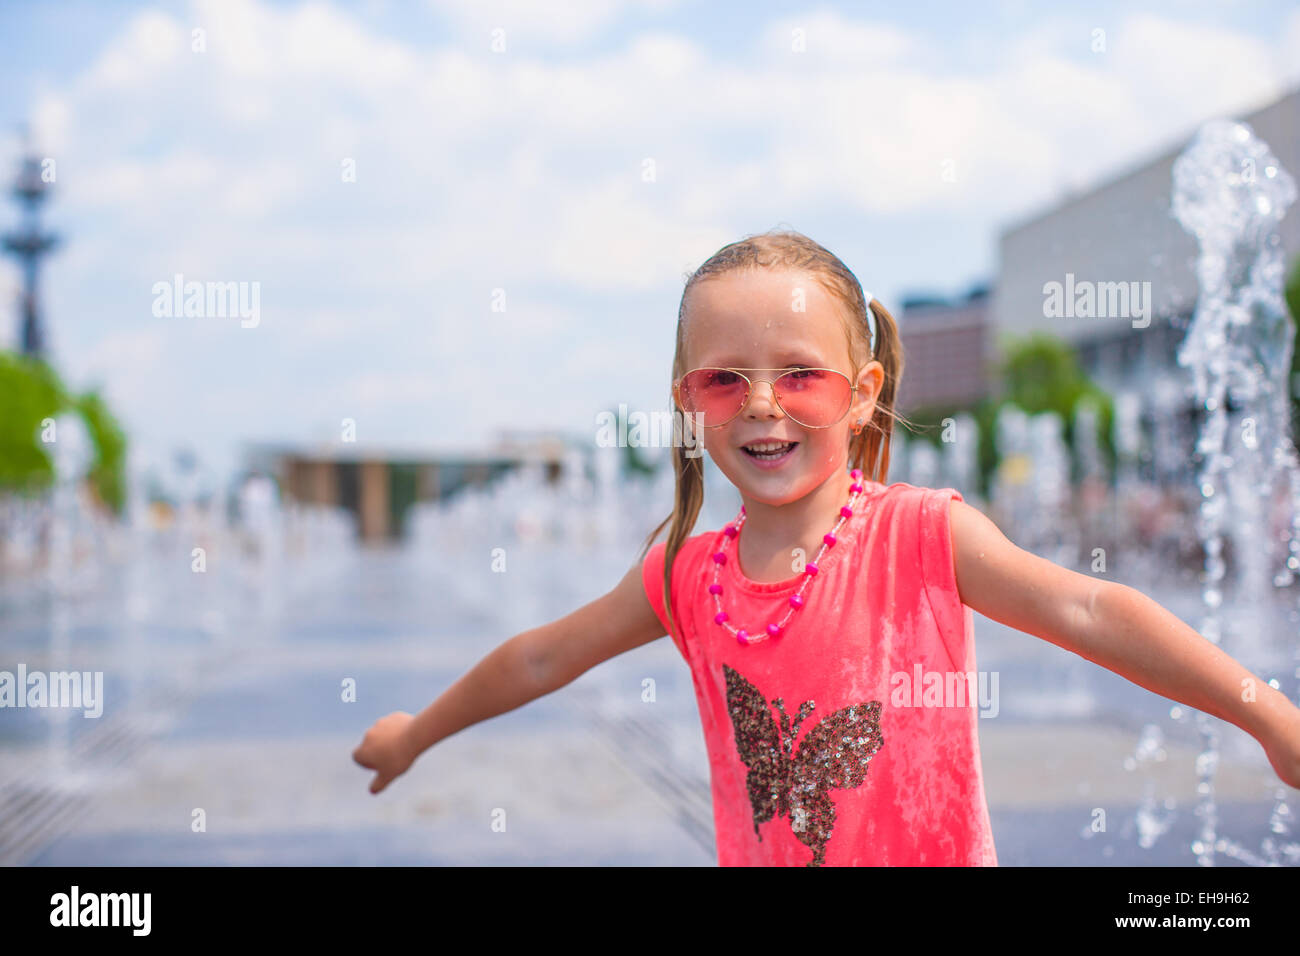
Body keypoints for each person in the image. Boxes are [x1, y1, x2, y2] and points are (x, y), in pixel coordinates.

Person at [353, 229, 1300, 866]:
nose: (762, 403)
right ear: (689, 401)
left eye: (799, 374)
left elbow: (1092, 608)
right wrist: (417, 732)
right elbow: (542, 654)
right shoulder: (691, 577)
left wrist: (1265, 713)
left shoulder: (922, 535)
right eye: (726, 379)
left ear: (861, 389)